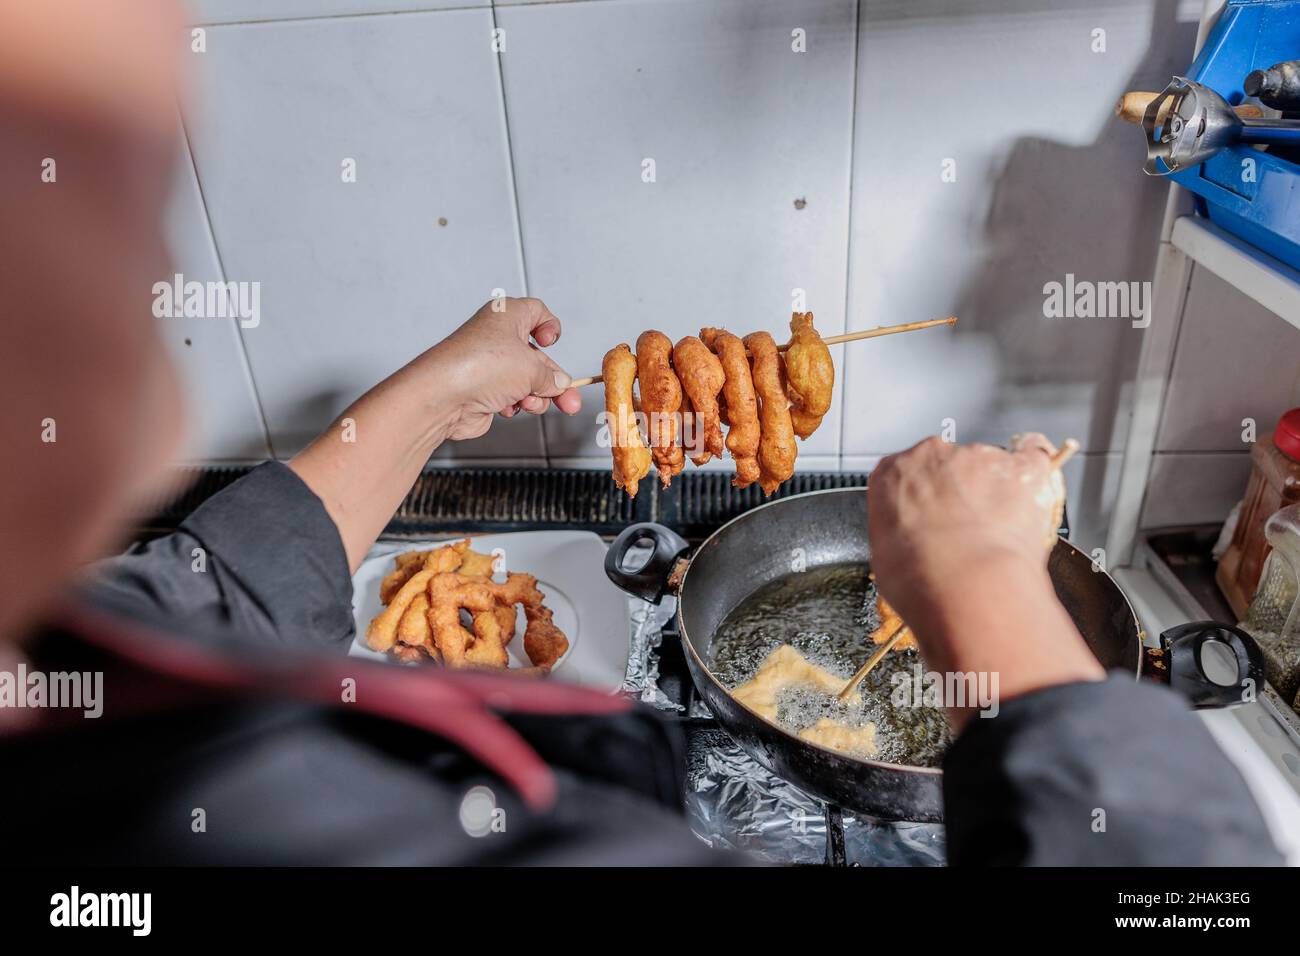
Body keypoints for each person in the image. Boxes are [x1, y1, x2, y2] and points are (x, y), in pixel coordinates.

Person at [0, 0, 1283, 866]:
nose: (162, 271)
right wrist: (983, 575)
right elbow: (1179, 881)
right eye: (102, 176)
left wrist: (438, 394)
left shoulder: (74, 692)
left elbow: (212, 597)